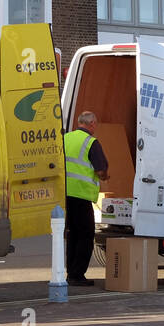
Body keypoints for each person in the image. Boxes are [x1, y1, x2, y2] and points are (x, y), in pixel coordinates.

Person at [63, 111, 109, 286]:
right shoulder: (91, 143)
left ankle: (70, 272)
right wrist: (105, 177)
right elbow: (100, 170)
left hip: (66, 194)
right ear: (91, 124)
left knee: (73, 234)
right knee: (86, 234)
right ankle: (77, 275)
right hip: (81, 194)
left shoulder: (66, 138)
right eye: (95, 124)